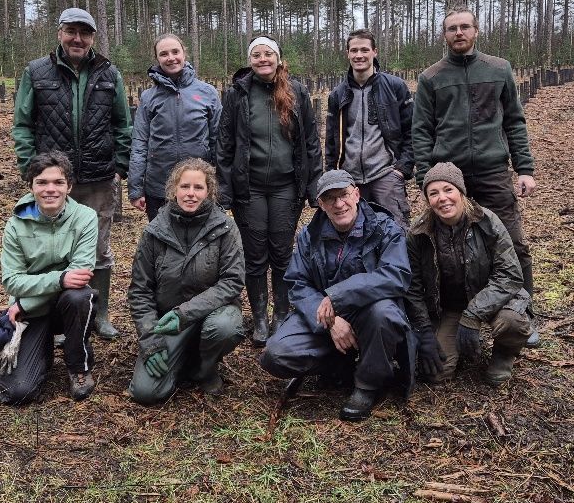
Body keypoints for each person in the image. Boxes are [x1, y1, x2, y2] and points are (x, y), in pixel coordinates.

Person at [411, 8, 539, 345]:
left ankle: (524, 311)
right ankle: (449, 310)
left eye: (464, 27)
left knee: (514, 241)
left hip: (492, 171)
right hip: (449, 176)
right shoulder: (431, 77)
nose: (459, 33)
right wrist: (425, 179)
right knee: (446, 245)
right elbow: (421, 131)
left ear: (476, 31)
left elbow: (514, 121)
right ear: (444, 35)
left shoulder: (498, 69)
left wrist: (524, 168)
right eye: (452, 28)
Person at [12, 7, 132, 341]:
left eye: (84, 33)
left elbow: (123, 124)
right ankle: (59, 316)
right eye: (71, 32)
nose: (77, 39)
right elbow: (23, 125)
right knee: (53, 248)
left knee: (99, 249)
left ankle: (100, 314)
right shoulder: (37, 72)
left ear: (93, 37)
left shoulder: (109, 73)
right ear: (60, 34)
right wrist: (31, 169)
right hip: (53, 179)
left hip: (98, 178)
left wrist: (119, 167)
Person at [260, 170, 415, 422]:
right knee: (275, 355)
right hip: (324, 316)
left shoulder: (385, 228)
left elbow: (396, 275)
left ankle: (367, 385)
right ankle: (340, 363)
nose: (339, 204)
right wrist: (331, 322)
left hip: (369, 314)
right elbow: (297, 283)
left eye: (343, 195)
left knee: (383, 313)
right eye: (330, 198)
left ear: (356, 194)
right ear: (321, 204)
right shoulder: (309, 235)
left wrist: (339, 295)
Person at [216, 35, 322, 346]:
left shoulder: (297, 91)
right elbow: (224, 143)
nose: (263, 59)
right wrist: (224, 188)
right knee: (255, 255)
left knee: (282, 252)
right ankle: (260, 316)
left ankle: (282, 313)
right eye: (256, 55)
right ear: (250, 60)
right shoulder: (237, 93)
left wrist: (314, 185)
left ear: (278, 58)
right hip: (248, 189)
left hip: (286, 186)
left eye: (268, 54)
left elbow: (311, 142)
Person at [128, 158, 245, 404]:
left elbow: (232, 281)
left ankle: (206, 368)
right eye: (184, 186)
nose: (191, 193)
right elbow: (140, 291)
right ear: (174, 189)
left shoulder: (225, 228)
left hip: (210, 314)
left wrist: (184, 313)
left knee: (224, 327)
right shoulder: (154, 231)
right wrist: (150, 340)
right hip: (167, 322)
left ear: (209, 191)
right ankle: (181, 360)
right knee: (146, 393)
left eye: (198, 187)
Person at [405, 163, 531, 388]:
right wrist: (424, 332)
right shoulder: (418, 232)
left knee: (512, 322)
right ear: (427, 200)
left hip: (493, 300)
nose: (442, 198)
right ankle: (458, 344)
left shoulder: (487, 222)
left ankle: (504, 353)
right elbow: (413, 287)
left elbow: (510, 275)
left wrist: (473, 315)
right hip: (450, 307)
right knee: (435, 373)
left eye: (448, 190)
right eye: (433, 193)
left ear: (461, 192)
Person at [0, 151, 99, 404]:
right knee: (18, 392)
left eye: (58, 182)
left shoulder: (85, 217)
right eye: (42, 182)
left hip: (56, 305)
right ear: (31, 186)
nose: (50, 189)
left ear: (69, 187)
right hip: (32, 313)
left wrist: (25, 302)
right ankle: (42, 352)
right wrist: (60, 280)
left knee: (79, 296)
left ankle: (78, 365)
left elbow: (80, 275)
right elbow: (12, 281)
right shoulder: (15, 225)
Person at [325, 28, 414, 228]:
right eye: (354, 50)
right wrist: (332, 175)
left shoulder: (395, 87)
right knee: (356, 234)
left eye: (364, 50)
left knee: (396, 231)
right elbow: (331, 141)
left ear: (375, 52)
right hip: (350, 179)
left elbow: (412, 130)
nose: (359, 55)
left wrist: (402, 169)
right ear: (347, 54)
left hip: (386, 174)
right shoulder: (338, 94)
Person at [129, 34, 221, 222]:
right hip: (158, 186)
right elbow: (139, 143)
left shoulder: (207, 93)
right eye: (164, 54)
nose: (171, 58)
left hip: (197, 186)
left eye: (175, 52)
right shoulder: (148, 97)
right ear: (157, 59)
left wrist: (220, 184)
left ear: (184, 54)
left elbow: (218, 142)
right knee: (161, 237)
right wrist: (136, 188)